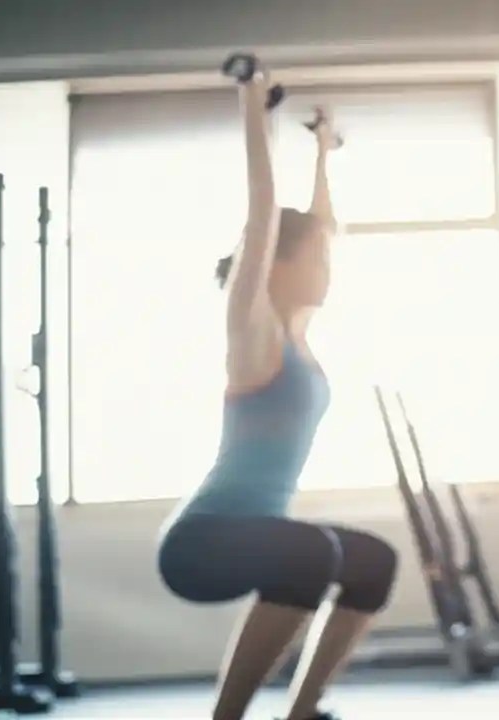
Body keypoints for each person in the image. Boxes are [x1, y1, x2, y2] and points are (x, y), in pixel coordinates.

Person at [156, 68, 398, 720]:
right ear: (277, 265)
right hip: (200, 543)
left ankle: (302, 712)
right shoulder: (254, 332)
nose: (328, 270)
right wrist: (252, 108)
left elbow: (323, 227)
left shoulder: (299, 334)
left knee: (373, 563)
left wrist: (322, 150)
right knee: (312, 554)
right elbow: (263, 216)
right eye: (316, 260)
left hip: (253, 534)